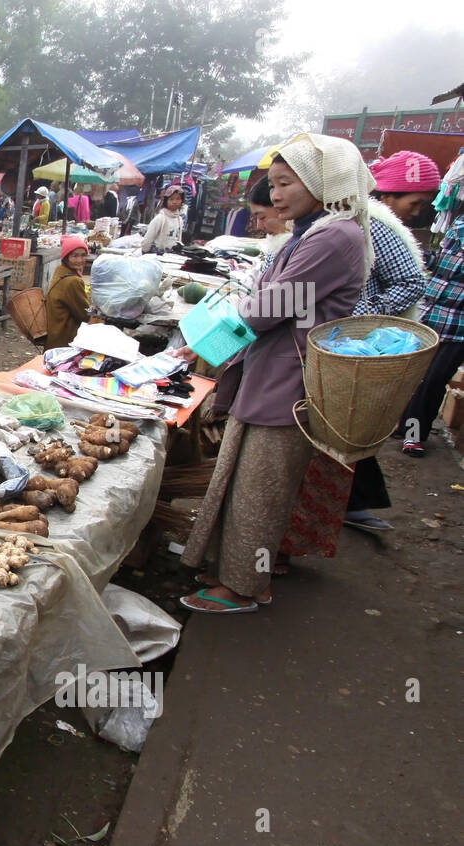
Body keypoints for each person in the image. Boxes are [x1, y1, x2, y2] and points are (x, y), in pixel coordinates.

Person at [178, 133, 373, 615]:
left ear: (321, 182)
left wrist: (209, 336)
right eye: (274, 183)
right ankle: (229, 567)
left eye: (286, 183)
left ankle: (246, 587)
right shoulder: (312, 232)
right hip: (271, 371)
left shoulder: (335, 236)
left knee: (262, 488)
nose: (277, 193)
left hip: (290, 381)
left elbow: (270, 307)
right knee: (244, 478)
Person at [279, 150, 437, 551]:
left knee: (334, 436)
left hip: (342, 347)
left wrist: (355, 321)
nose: (417, 213)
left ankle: (313, 529)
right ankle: (312, 528)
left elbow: (410, 283)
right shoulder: (336, 226)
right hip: (326, 343)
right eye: (413, 202)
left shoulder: (364, 227)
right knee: (329, 438)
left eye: (285, 185)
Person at [398, 213, 464, 457]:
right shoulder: (459, 224)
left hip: (457, 328)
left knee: (430, 382)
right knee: (411, 376)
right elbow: (442, 262)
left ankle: (414, 435)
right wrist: (418, 256)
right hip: (428, 316)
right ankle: (404, 425)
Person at [44, 235, 91, 350]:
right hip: (65, 338)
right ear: (66, 257)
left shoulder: (60, 271)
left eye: (83, 255)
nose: (80, 260)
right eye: (74, 256)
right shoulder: (73, 281)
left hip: (54, 333)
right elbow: (85, 314)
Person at [140, 185, 185, 253]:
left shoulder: (179, 220)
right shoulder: (160, 218)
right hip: (157, 255)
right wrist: (145, 252)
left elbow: (179, 239)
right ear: (166, 201)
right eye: (171, 199)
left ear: (182, 201)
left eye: (178, 199)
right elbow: (147, 240)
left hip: (171, 255)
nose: (174, 202)